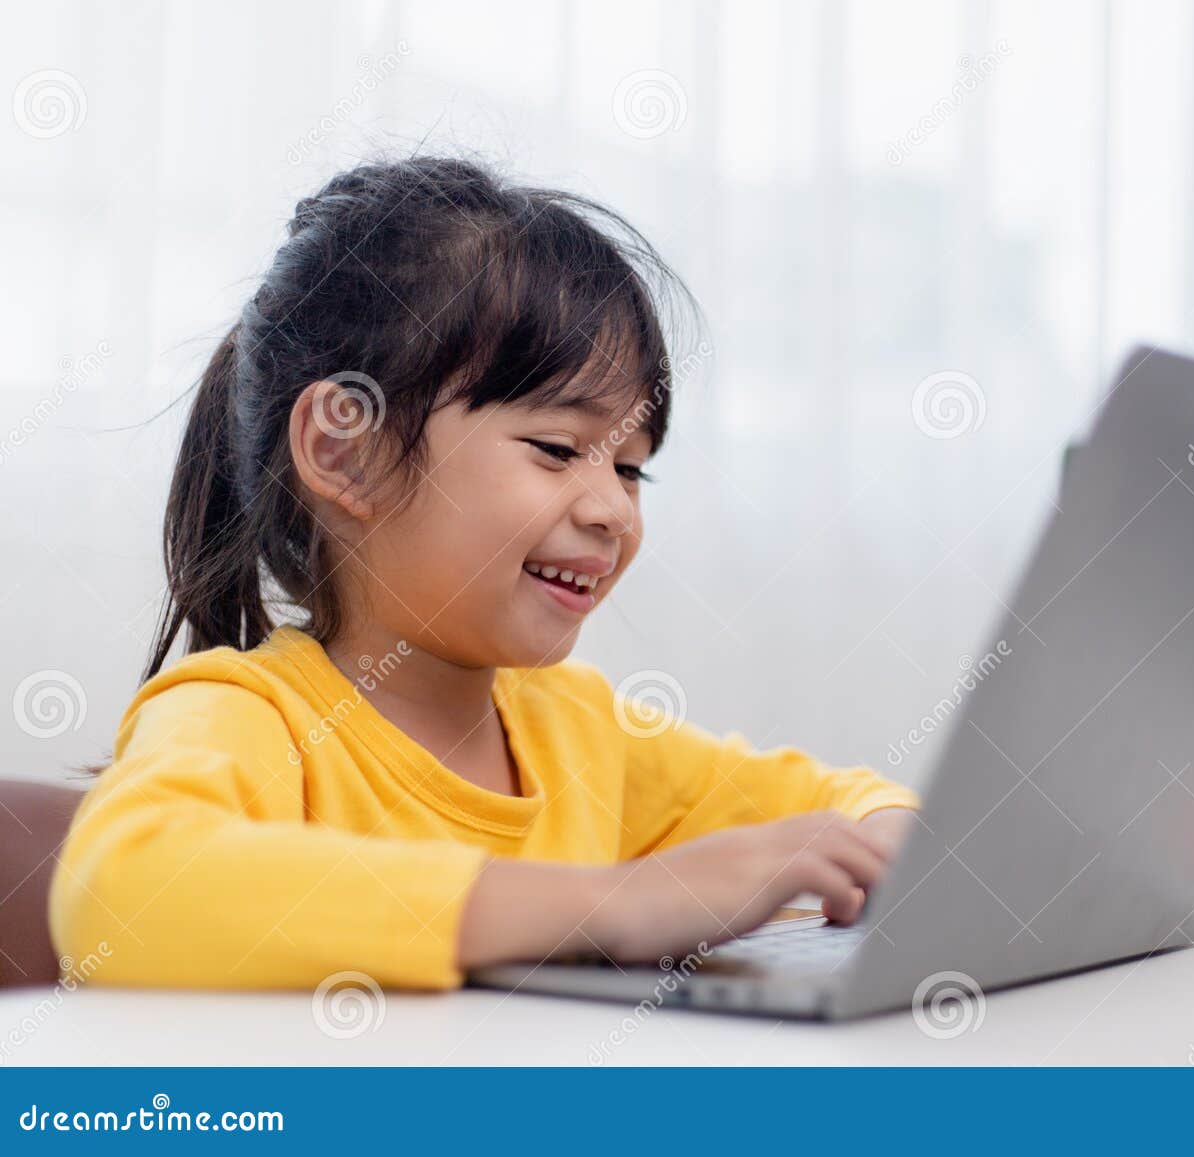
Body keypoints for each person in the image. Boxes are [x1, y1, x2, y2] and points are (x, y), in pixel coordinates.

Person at [49, 156, 918, 990]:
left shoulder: (580, 730)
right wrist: (612, 905)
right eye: (558, 448)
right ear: (343, 453)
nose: (613, 509)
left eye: (630, 467)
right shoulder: (249, 715)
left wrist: (885, 843)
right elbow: (122, 890)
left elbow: (837, 802)